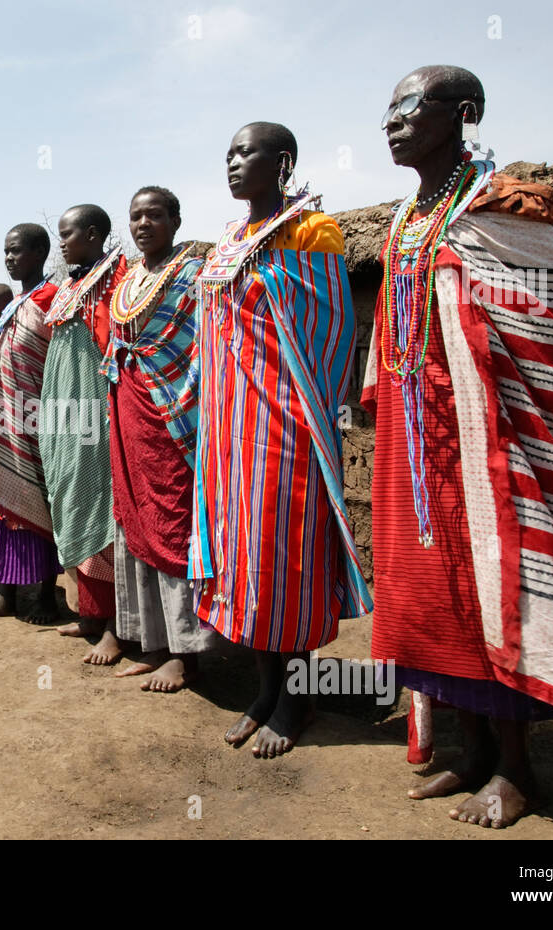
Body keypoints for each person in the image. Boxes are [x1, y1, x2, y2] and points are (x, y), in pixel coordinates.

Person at [363, 65, 553, 827]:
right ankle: (471, 749)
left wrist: (473, 358)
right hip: (415, 441)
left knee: (500, 590)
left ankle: (520, 769)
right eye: (386, 109)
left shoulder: (503, 209)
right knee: (434, 598)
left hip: (490, 443)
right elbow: (396, 317)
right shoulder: (403, 220)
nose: (391, 120)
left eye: (409, 106)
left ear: (464, 113)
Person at [192, 122, 372, 758]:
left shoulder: (311, 233)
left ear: (284, 162)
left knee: (284, 559)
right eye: (229, 153)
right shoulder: (228, 244)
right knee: (247, 560)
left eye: (247, 152)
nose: (234, 163)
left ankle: (297, 699)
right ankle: (266, 690)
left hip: (284, 427)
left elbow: (329, 330)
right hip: (230, 434)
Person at [103, 187, 212, 691]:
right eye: (136, 216)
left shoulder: (193, 273)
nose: (143, 223)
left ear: (175, 219)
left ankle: (186, 652)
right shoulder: (127, 279)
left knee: (171, 520)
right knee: (132, 517)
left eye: (154, 215)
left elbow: (202, 345)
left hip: (173, 416)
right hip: (127, 411)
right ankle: (151, 642)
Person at [42, 204, 127, 663]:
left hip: (91, 403)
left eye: (67, 233)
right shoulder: (73, 284)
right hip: (61, 404)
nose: (62, 242)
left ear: (92, 234)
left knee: (98, 501)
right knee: (67, 492)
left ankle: (116, 625)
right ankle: (90, 613)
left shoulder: (117, 278)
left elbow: (116, 341)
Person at [0, 224, 61, 621]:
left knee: (37, 502)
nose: (9, 258)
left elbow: (56, 360)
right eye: (5, 251)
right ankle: (5, 594)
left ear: (39, 252)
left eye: (16, 251)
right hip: (2, 418)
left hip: (36, 417)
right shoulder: (14, 303)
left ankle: (46, 595)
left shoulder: (52, 297)